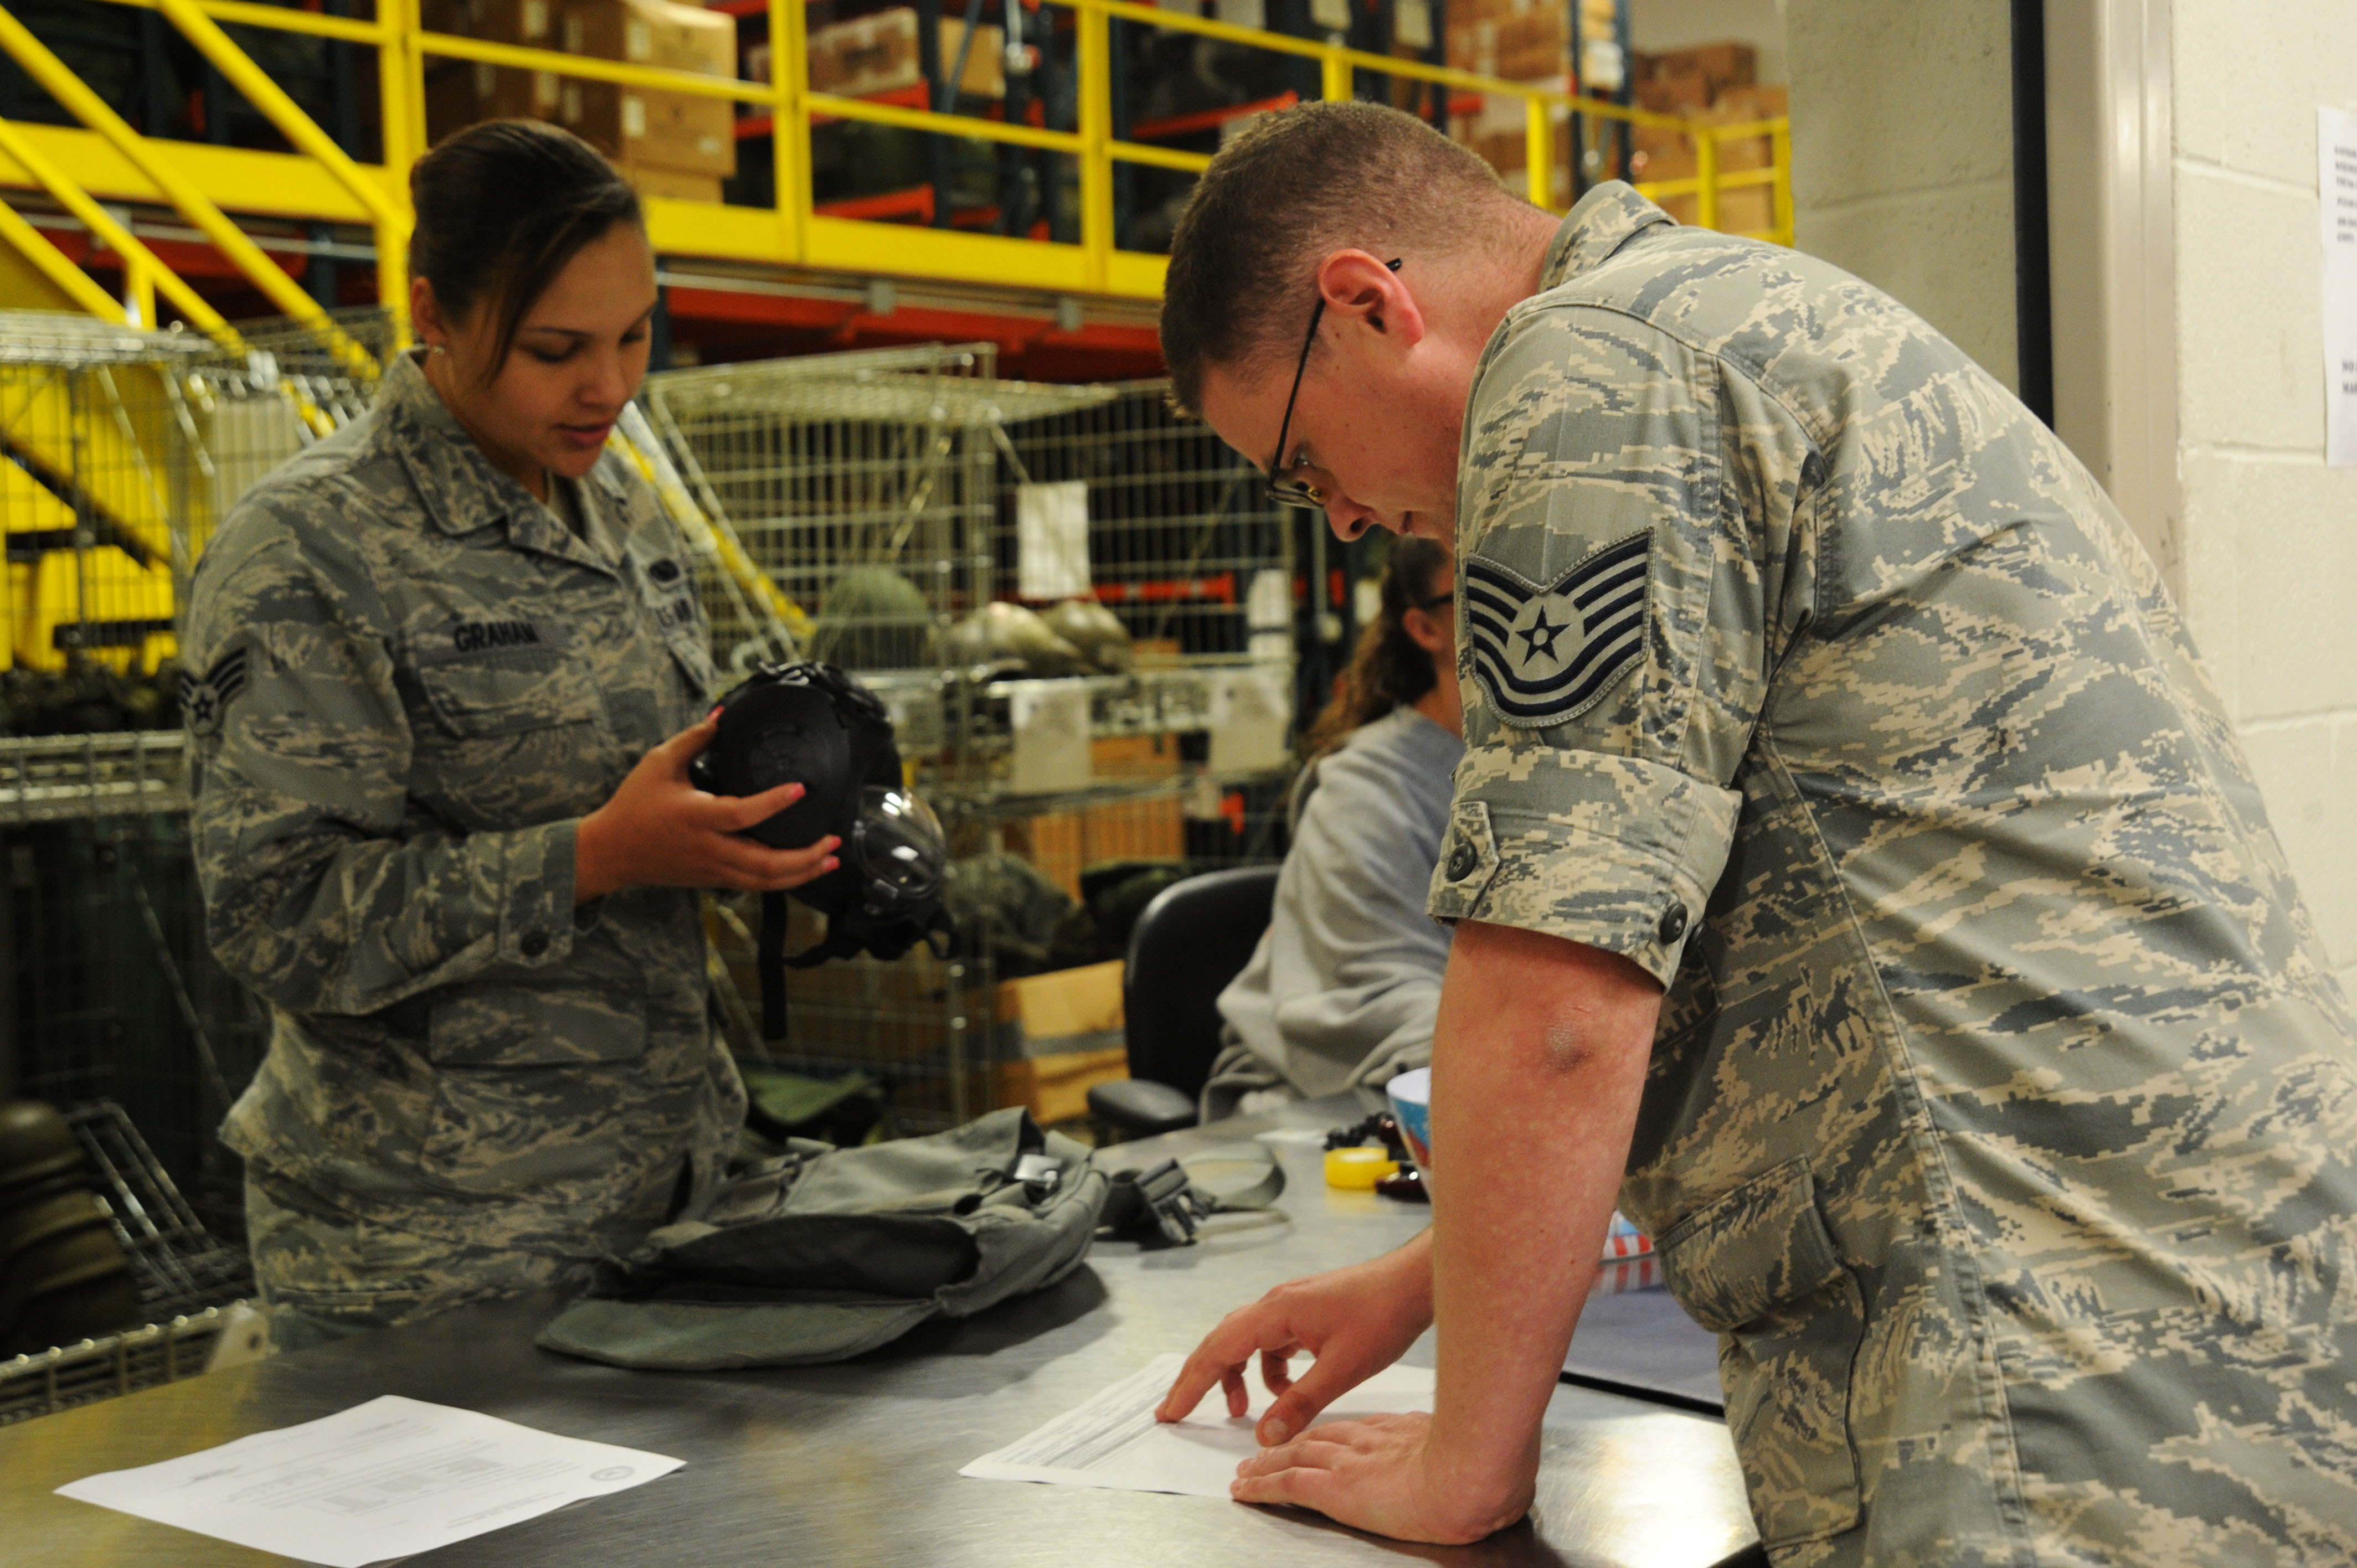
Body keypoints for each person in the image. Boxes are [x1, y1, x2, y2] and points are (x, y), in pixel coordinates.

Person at [1150, 100, 2357, 1562]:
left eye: (1296, 463)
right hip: (2191, 1313)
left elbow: (1555, 1009)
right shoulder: (1744, 317)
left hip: (2032, 1375)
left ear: (1367, 303)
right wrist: (1429, 1280)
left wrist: (1462, 1463)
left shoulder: (1585, 370)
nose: (1341, 520)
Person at [181, 121, 837, 1350]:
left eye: (636, 335)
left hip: (663, 1200)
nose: (610, 387)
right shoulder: (311, 550)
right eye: (556, 349)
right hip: (432, 1253)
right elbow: (278, 916)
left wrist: (769, 824)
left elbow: (645, 773)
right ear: (433, 311)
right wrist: (596, 857)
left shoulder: (620, 508)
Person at [1201, 538, 1462, 1120]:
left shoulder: (1541, 771)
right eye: (1482, 593)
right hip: (1319, 1109)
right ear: (1425, 628)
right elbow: (1383, 1001)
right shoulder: (1365, 796)